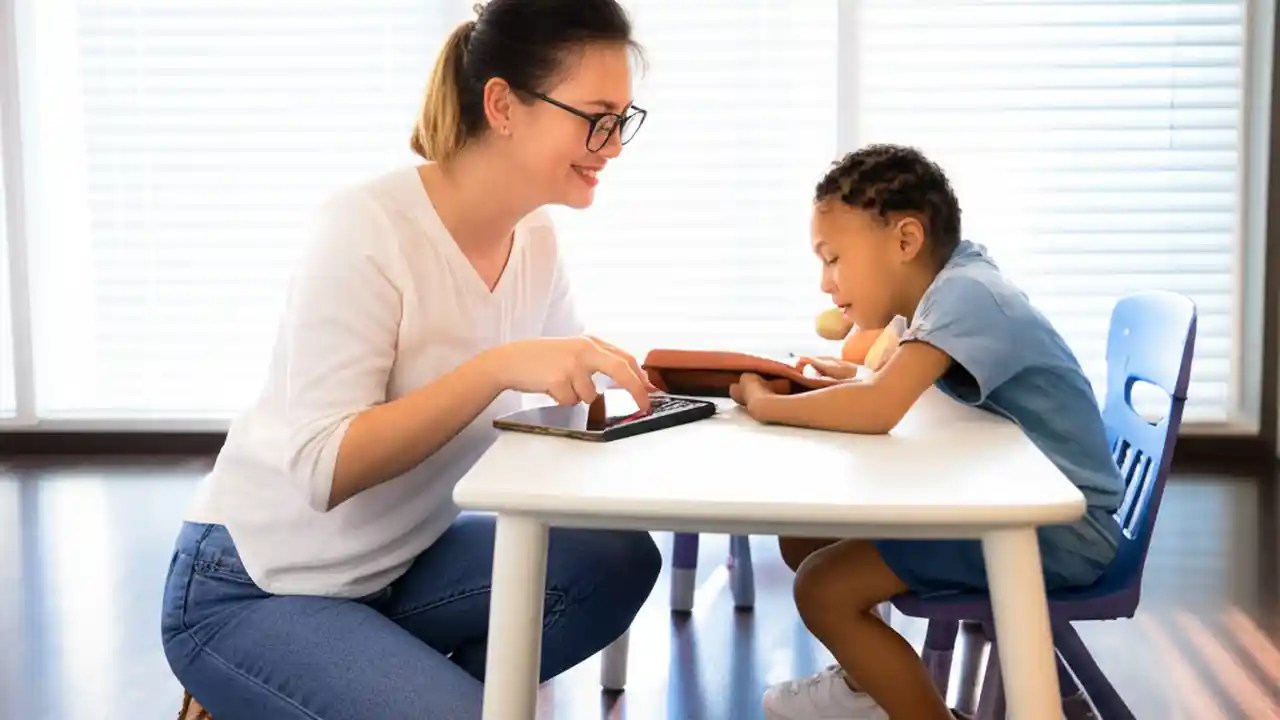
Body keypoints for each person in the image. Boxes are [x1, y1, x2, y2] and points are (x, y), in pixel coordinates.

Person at [160, 2, 663, 718]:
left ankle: (354, 676)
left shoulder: (537, 239)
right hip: (257, 583)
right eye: (596, 116)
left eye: (622, 119)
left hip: (398, 567)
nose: (612, 145)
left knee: (616, 561)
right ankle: (270, 674)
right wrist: (496, 368)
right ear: (503, 105)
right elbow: (322, 467)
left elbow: (558, 421)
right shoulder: (366, 227)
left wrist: (637, 395)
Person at [729, 144, 1124, 720]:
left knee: (822, 588)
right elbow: (893, 382)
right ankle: (871, 681)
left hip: (1056, 527)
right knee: (802, 537)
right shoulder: (953, 283)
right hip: (1020, 504)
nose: (824, 282)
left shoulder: (967, 295)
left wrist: (768, 407)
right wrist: (837, 380)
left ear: (906, 241)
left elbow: (881, 407)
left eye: (834, 258)